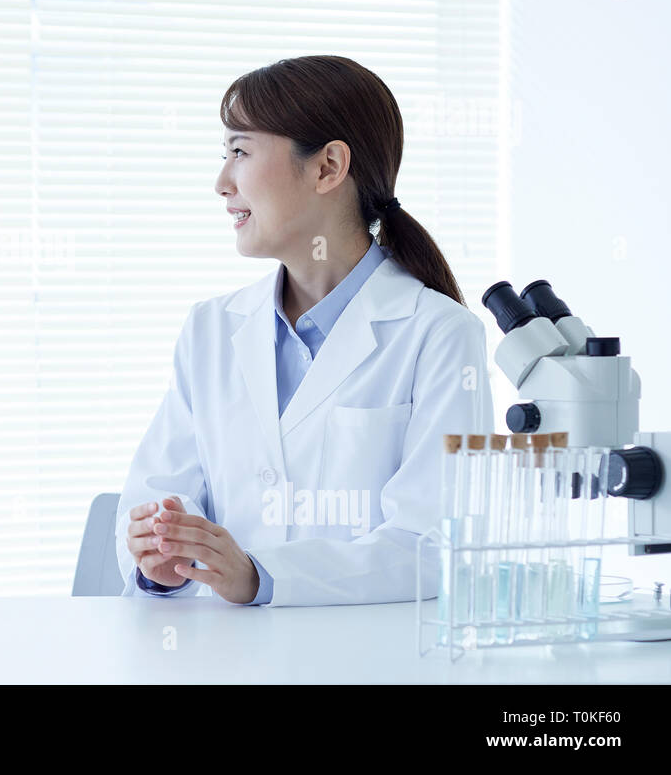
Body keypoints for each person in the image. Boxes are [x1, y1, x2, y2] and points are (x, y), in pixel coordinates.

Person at [117, 55, 492, 606]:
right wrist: (162, 554)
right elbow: (157, 491)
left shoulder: (438, 334)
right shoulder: (211, 329)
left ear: (327, 167)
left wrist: (260, 576)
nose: (222, 183)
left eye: (240, 152)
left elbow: (433, 546)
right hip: (227, 658)